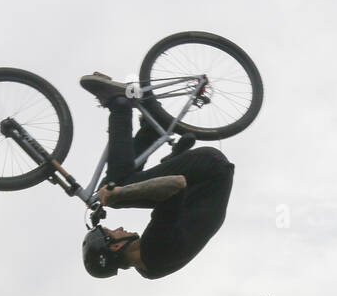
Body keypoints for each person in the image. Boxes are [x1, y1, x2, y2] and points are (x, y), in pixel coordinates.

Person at [79, 73, 235, 280]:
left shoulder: (150, 265)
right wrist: (119, 194)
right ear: (115, 245)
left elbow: (170, 199)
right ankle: (119, 104)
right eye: (113, 232)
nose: (120, 228)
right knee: (115, 185)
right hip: (206, 172)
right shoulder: (154, 250)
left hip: (201, 182)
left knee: (121, 183)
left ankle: (150, 131)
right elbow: (175, 185)